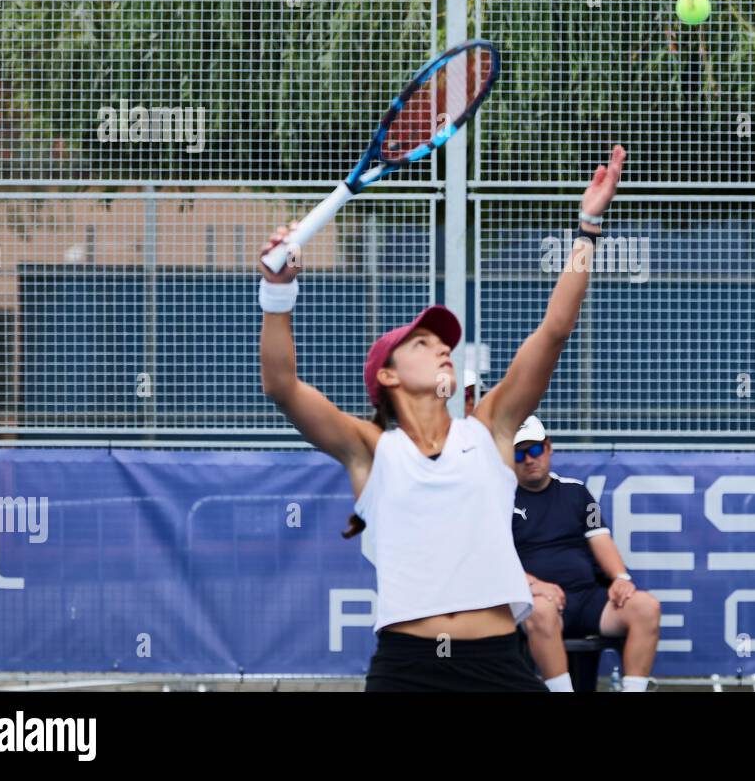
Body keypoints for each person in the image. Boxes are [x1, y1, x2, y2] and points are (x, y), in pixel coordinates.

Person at [258, 145, 626, 692]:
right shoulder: (371, 450)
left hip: (498, 662)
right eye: (424, 343)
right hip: (407, 667)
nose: (442, 350)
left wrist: (588, 227)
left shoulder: (493, 429)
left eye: (444, 343)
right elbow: (282, 386)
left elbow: (554, 329)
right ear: (387, 375)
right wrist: (277, 291)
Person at [512, 415, 661, 692]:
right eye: (519, 453)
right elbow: (495, 556)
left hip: (587, 598)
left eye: (534, 450)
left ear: (548, 447)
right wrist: (535, 585)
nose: (529, 459)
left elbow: (601, 538)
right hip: (536, 600)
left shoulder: (577, 492)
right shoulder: (500, 496)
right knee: (541, 611)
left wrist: (620, 577)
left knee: (646, 607)